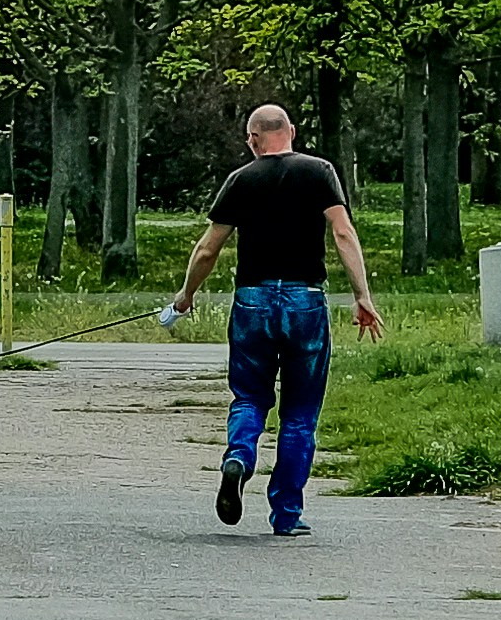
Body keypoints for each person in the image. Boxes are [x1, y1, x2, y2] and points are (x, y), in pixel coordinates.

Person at [159, 101, 381, 536]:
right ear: (291, 131)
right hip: (305, 302)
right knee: (299, 415)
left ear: (252, 139)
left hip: (253, 301)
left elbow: (208, 249)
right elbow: (342, 231)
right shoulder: (319, 172)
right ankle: (286, 516)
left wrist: (185, 297)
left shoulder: (241, 180)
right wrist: (362, 296)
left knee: (248, 397)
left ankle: (239, 457)